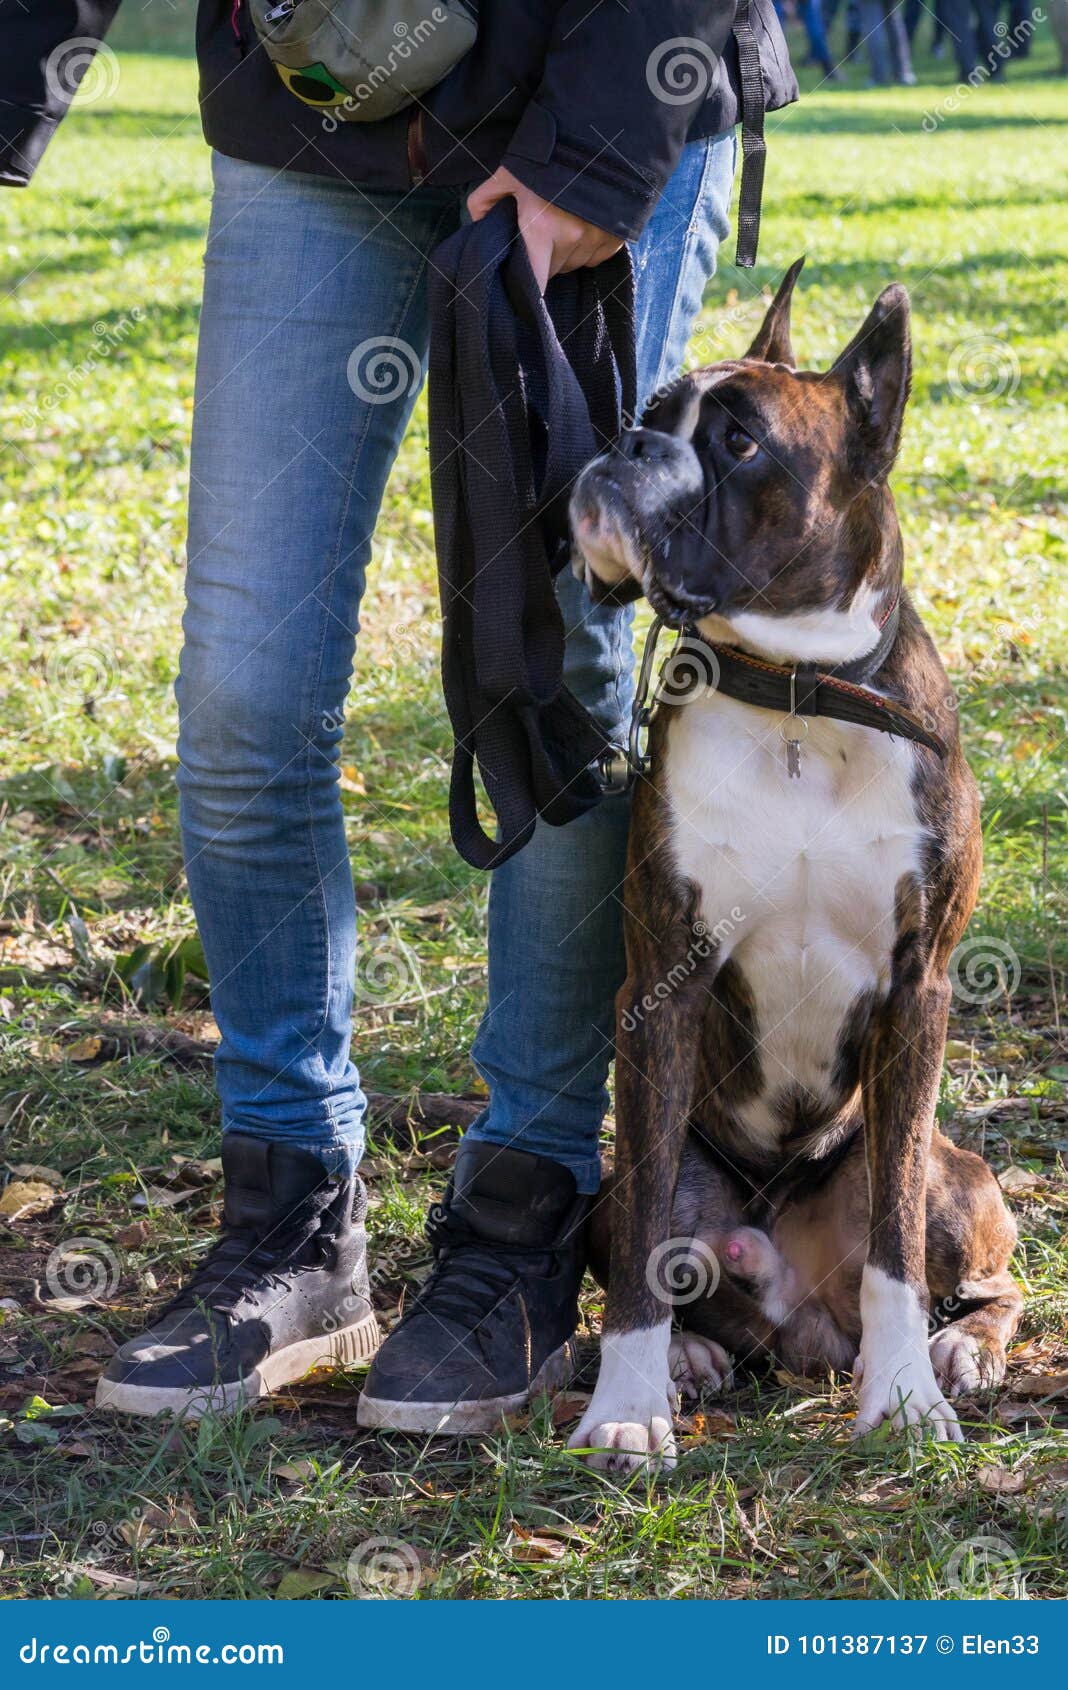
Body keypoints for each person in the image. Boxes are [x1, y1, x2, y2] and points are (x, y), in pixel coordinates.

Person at [5, 2, 797, 1430]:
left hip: (593, 101)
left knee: (564, 664)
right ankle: (292, 1211)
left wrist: (604, 151)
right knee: (244, 689)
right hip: (308, 114)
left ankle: (528, 1210)